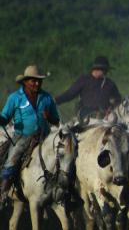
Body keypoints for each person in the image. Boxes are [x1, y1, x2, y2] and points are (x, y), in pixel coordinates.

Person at [1, 65, 61, 204]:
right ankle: (3, 192)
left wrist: (49, 116)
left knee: (65, 158)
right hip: (22, 137)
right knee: (12, 160)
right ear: (25, 81)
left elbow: (56, 120)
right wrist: (1, 119)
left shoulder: (47, 98)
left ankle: (69, 192)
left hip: (45, 137)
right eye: (33, 81)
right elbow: (5, 116)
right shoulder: (15, 98)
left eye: (39, 81)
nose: (37, 83)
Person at [55, 55, 121, 118]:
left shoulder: (110, 84)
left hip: (105, 117)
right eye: (105, 70)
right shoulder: (84, 80)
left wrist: (111, 107)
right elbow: (70, 94)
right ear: (99, 69)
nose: (106, 72)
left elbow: (117, 99)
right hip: (86, 116)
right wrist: (56, 100)